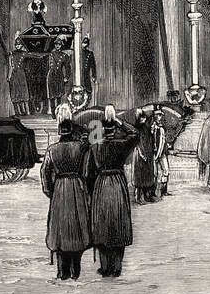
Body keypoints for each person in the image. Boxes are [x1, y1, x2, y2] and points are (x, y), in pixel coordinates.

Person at [84, 105, 140, 278]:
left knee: (101, 225)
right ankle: (117, 267)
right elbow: (134, 134)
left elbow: (88, 172)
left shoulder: (96, 146)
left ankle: (105, 267)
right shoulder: (121, 144)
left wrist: (90, 190)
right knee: (118, 224)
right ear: (114, 129)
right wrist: (119, 121)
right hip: (117, 184)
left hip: (101, 184)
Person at [40, 103, 91, 280]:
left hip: (60, 190)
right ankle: (76, 270)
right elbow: (87, 170)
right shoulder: (82, 148)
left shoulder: (52, 150)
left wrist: (51, 192)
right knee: (76, 228)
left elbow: (45, 174)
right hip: (77, 188)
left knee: (61, 230)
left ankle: (62, 272)